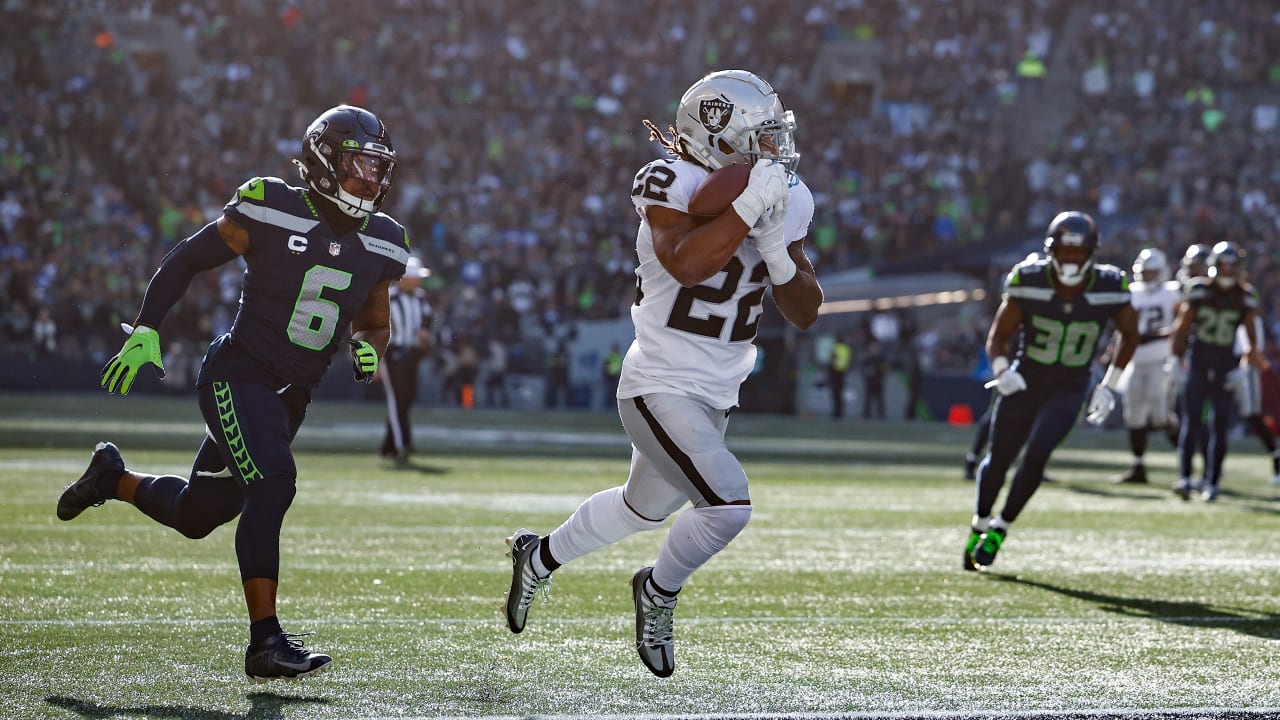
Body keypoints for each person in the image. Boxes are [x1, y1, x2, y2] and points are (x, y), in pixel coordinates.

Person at [56, 105, 407, 681]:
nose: (370, 178)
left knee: (200, 514)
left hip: (290, 398)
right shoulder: (272, 205)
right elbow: (189, 258)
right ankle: (265, 643)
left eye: (378, 167)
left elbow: (374, 322)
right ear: (324, 161)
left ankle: (110, 478)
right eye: (359, 164)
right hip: (238, 375)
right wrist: (146, 326)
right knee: (274, 482)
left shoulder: (386, 241)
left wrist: (370, 349)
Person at [503, 69, 823, 677]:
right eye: (759, 136)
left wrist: (777, 252)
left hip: (717, 392)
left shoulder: (787, 195)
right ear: (716, 136)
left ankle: (537, 557)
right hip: (659, 383)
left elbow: (805, 312)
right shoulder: (669, 180)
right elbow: (686, 265)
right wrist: (748, 207)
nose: (773, 148)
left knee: (642, 509)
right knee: (727, 506)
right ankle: (657, 591)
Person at [965, 211, 1138, 571]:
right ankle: (979, 523)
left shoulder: (1109, 285)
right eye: (1065, 251)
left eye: (1079, 251)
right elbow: (999, 336)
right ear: (1051, 250)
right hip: (1025, 380)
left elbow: (1130, 334)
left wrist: (1109, 385)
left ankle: (1000, 528)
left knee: (1038, 453)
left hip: (1069, 387)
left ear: (1091, 252)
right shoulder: (1029, 279)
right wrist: (1002, 370)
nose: (1071, 259)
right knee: (998, 460)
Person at [1169, 241, 1268, 501]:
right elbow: (1182, 327)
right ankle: (1185, 476)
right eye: (1224, 265)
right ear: (1214, 265)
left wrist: (1245, 364)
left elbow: (1250, 335)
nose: (1227, 271)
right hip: (1199, 362)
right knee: (1191, 419)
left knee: (1219, 424)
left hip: (1225, 365)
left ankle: (1212, 481)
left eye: (1232, 266)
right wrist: (1176, 360)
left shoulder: (1244, 295)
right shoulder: (1199, 289)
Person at [1112, 247, 1182, 484]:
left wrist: (1163, 336)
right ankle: (1138, 466)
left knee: (1162, 417)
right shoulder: (1132, 292)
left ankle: (1187, 460)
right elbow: (1122, 327)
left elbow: (1183, 322)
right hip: (1135, 359)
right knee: (1134, 415)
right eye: (1145, 272)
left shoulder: (1172, 292)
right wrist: (1113, 350)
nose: (1148, 276)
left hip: (1161, 359)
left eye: (1152, 272)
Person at [380, 255, 432, 464]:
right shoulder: (388, 298)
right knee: (397, 400)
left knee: (407, 399)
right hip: (392, 353)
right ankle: (402, 445)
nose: (418, 281)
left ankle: (390, 446)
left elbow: (427, 318)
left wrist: (425, 333)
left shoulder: (421, 297)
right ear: (404, 278)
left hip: (413, 353)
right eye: (415, 277)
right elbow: (377, 328)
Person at [1226, 311, 1280, 484]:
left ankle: (1277, 458)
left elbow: (1252, 352)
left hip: (1245, 369)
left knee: (1252, 415)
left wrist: (1242, 369)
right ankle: (1210, 470)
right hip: (1223, 365)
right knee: (1213, 415)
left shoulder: (1251, 318)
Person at [860, 339, 887, 419]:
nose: (874, 349)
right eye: (872, 347)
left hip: (878, 381)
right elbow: (863, 370)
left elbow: (885, 369)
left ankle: (881, 414)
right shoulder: (867, 359)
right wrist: (867, 374)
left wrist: (882, 374)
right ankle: (866, 414)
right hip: (869, 382)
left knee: (880, 399)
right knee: (868, 399)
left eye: (875, 347)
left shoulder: (881, 359)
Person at [828, 334, 851, 419]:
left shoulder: (835, 348)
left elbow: (832, 360)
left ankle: (836, 412)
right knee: (839, 394)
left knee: (835, 394)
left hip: (836, 373)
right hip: (842, 373)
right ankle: (840, 412)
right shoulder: (846, 348)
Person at [600, 342, 622, 410]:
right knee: (609, 393)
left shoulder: (619, 358)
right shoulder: (609, 357)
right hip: (609, 378)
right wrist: (605, 377)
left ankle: (613, 407)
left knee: (615, 393)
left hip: (616, 378)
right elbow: (604, 368)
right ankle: (607, 407)